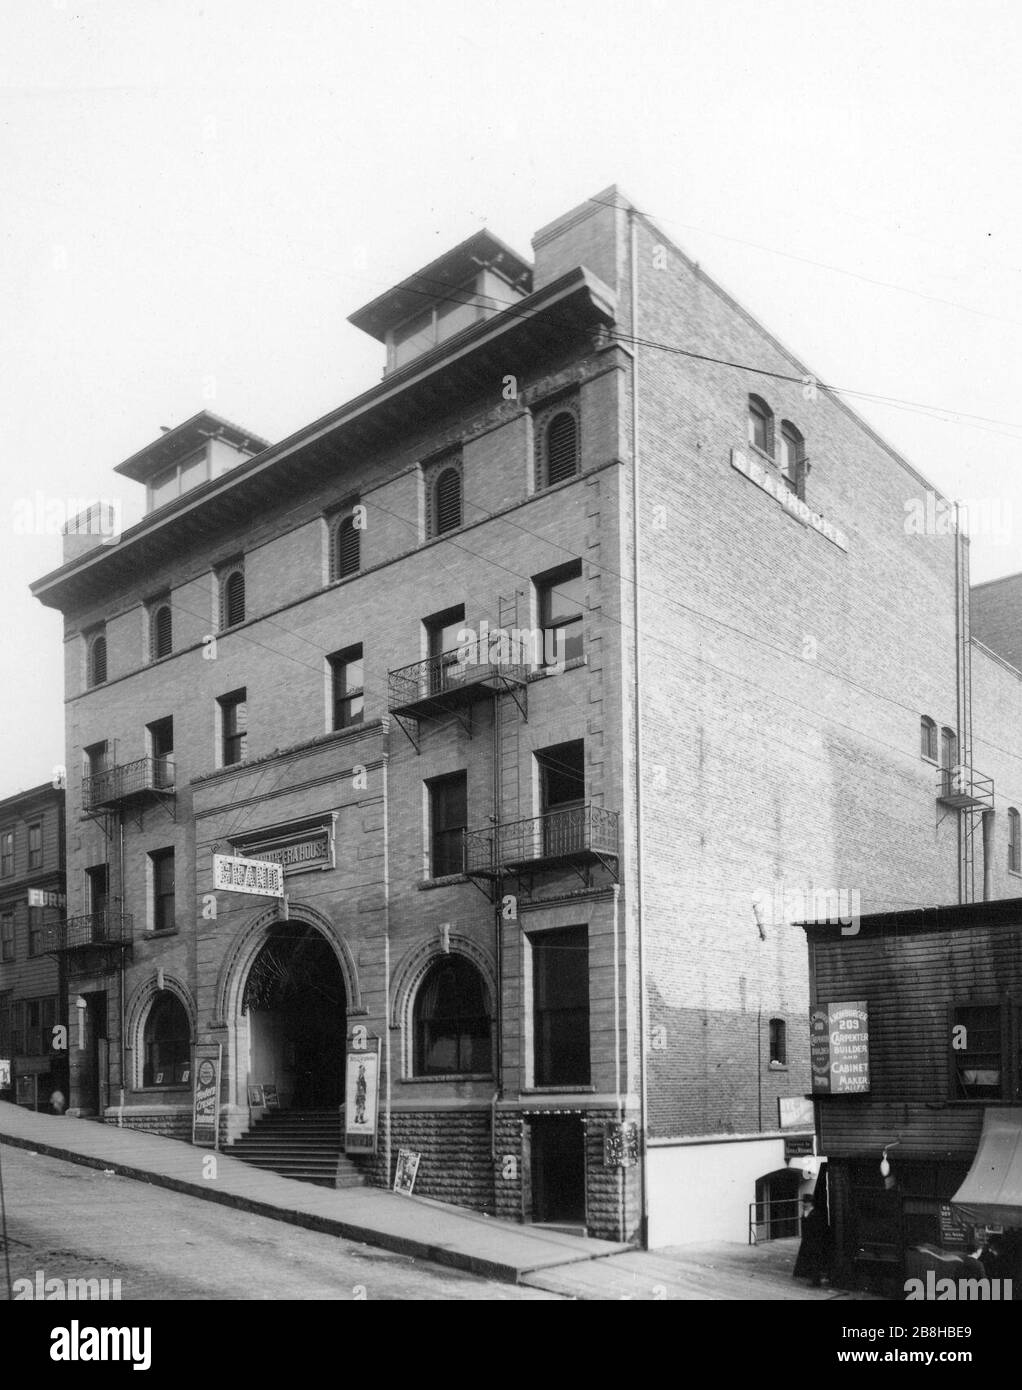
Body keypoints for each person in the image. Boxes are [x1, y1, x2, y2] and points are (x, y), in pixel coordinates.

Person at [793, 1193, 834, 1287]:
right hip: (807, 1240)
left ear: (810, 1203)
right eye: (804, 1202)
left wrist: (817, 1240)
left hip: (815, 1241)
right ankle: (812, 1278)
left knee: (815, 1260)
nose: (804, 1204)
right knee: (810, 1259)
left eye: (806, 1202)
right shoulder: (805, 1213)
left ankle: (816, 1281)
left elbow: (818, 1229)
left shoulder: (815, 1214)